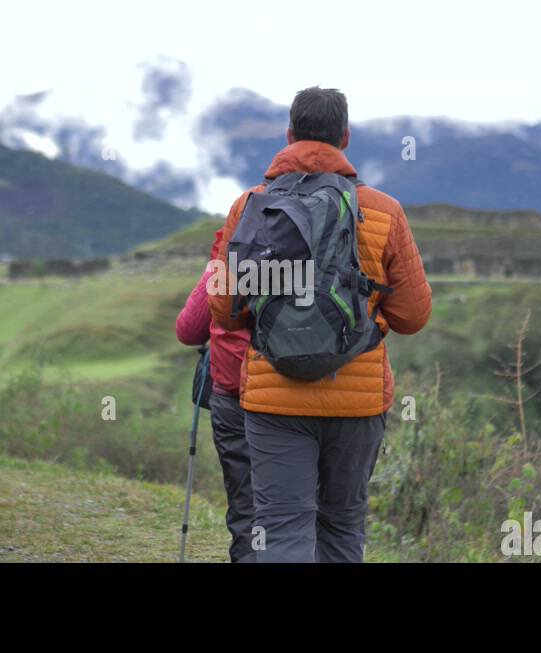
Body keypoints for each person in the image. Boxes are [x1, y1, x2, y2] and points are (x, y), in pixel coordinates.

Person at [208, 87, 432, 563]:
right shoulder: (384, 211)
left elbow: (225, 309)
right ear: (345, 138)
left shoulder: (249, 205)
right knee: (342, 527)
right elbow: (413, 317)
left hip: (274, 399)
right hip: (357, 400)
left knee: (281, 527)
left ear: (288, 135)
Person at [175, 229, 254, 562]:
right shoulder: (339, 232)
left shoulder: (233, 246)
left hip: (238, 391)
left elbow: (189, 329)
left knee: (247, 503)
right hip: (319, 391)